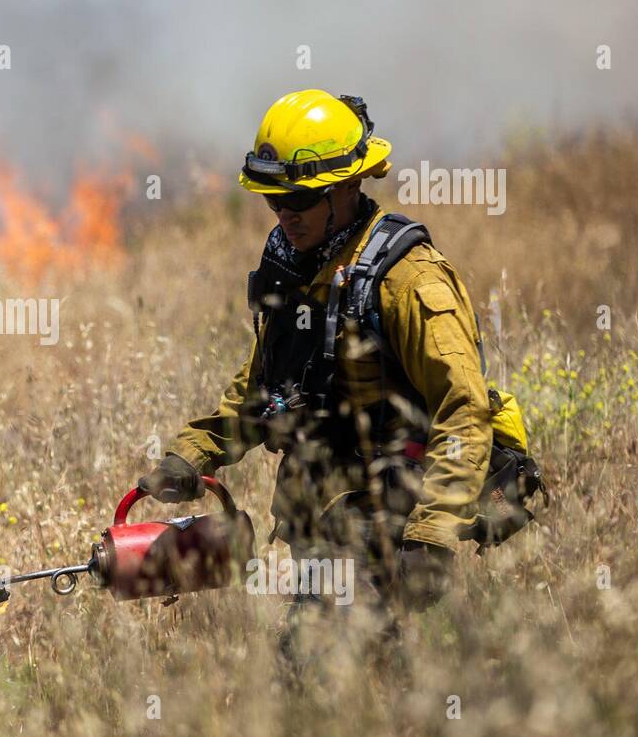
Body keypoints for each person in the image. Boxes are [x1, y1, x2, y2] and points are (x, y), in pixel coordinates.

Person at [140, 89, 492, 612]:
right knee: (344, 680)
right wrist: (190, 455)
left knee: (322, 666)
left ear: (347, 186)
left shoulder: (409, 280)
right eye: (272, 199)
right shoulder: (297, 265)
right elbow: (266, 388)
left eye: (300, 199)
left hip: (393, 515)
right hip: (321, 517)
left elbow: (463, 408)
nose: (285, 214)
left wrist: (432, 534)